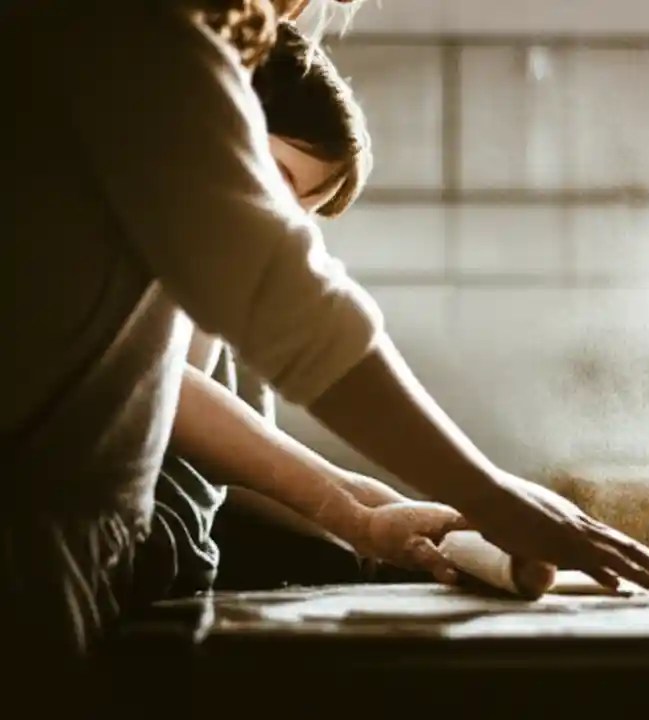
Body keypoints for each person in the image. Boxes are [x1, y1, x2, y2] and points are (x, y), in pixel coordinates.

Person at [0, 0, 649, 670]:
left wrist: (380, 515)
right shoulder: (136, 36)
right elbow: (296, 315)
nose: (296, 16)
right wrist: (491, 495)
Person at [140, 20, 458, 602]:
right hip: (109, 564)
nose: (284, 218)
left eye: (304, 206)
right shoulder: (143, 248)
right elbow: (164, 388)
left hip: (179, 570)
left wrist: (390, 514)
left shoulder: (226, 290)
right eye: (274, 176)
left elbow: (239, 468)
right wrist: (356, 515)